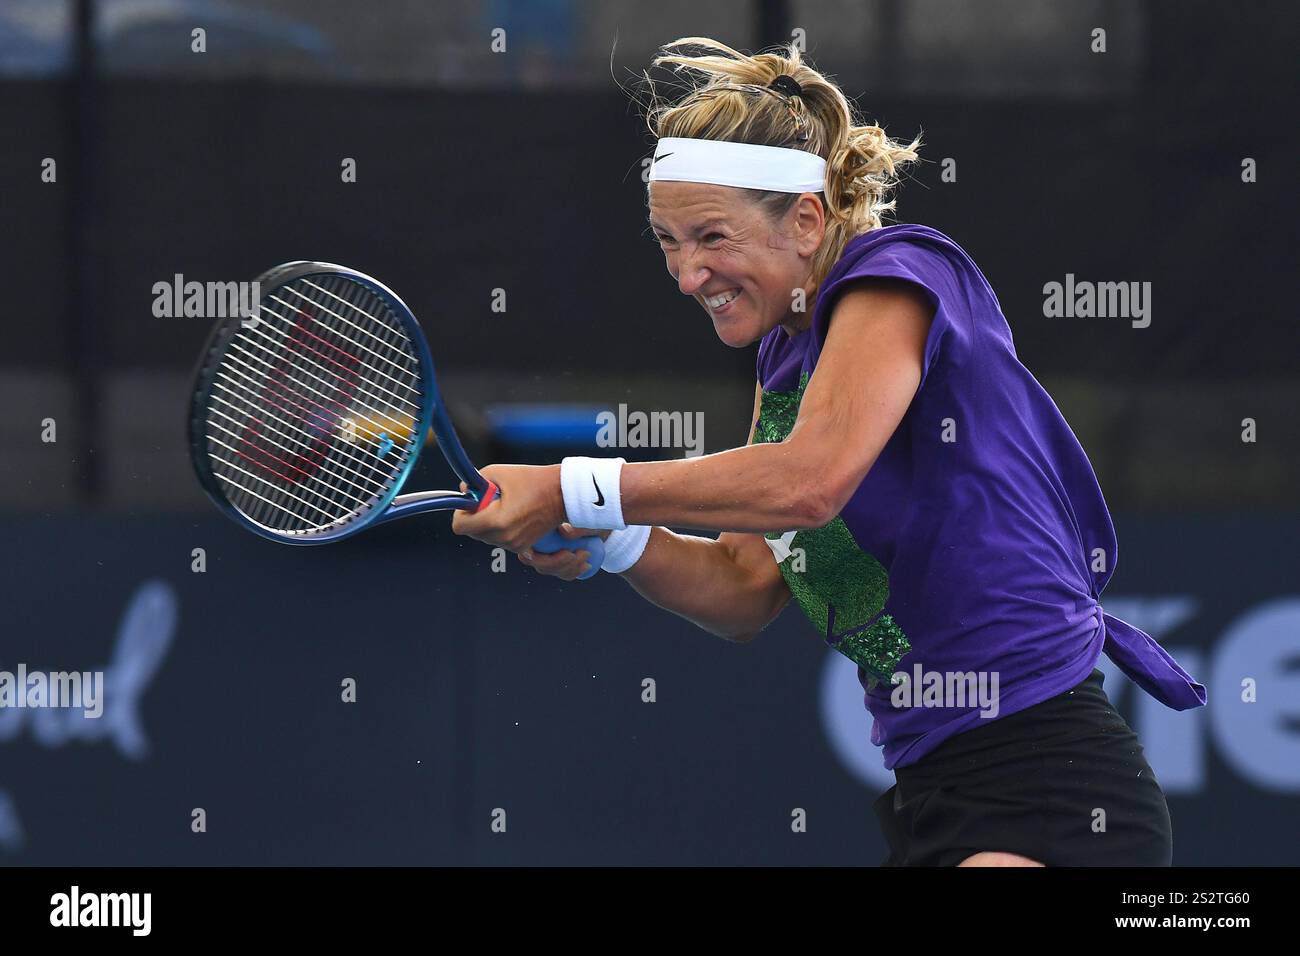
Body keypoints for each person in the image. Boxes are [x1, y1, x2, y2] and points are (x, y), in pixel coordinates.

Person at [452, 37, 1205, 866]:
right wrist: (616, 540)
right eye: (667, 240)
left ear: (806, 220)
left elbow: (808, 485)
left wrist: (572, 490)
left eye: (711, 235)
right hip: (936, 793)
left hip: (1051, 785)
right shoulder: (788, 359)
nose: (686, 273)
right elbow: (742, 587)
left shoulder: (898, 277)